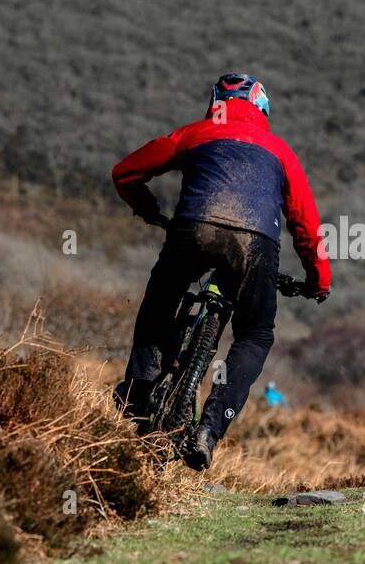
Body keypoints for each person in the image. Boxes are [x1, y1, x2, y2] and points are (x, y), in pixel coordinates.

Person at [110, 72, 331, 470]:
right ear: (263, 110)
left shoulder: (195, 133)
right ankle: (209, 429)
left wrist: (145, 208)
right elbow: (305, 223)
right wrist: (319, 280)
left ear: (214, 102)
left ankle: (137, 397)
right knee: (255, 333)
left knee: (160, 302)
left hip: (194, 227)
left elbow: (124, 172)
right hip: (256, 244)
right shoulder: (280, 150)